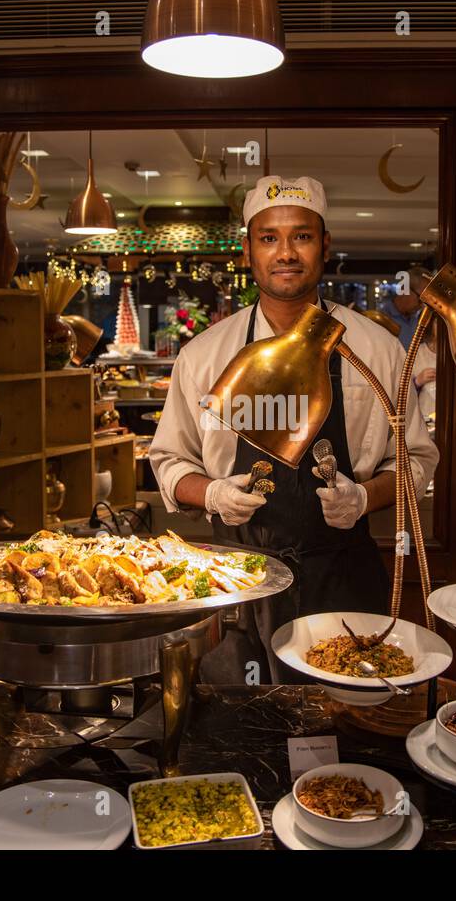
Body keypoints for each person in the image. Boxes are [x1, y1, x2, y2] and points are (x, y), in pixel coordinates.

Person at [149, 176, 439, 683]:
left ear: (325, 246)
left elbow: (415, 459)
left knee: (346, 729)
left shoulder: (375, 349)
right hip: (237, 578)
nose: (286, 252)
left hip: (344, 576)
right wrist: (213, 493)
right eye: (269, 238)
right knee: (242, 723)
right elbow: (170, 460)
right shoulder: (205, 354)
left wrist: (364, 498)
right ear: (247, 251)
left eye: (301, 236)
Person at [379, 265, 432, 350]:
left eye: (425, 302)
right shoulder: (381, 319)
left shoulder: (416, 321)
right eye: (420, 299)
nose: (422, 306)